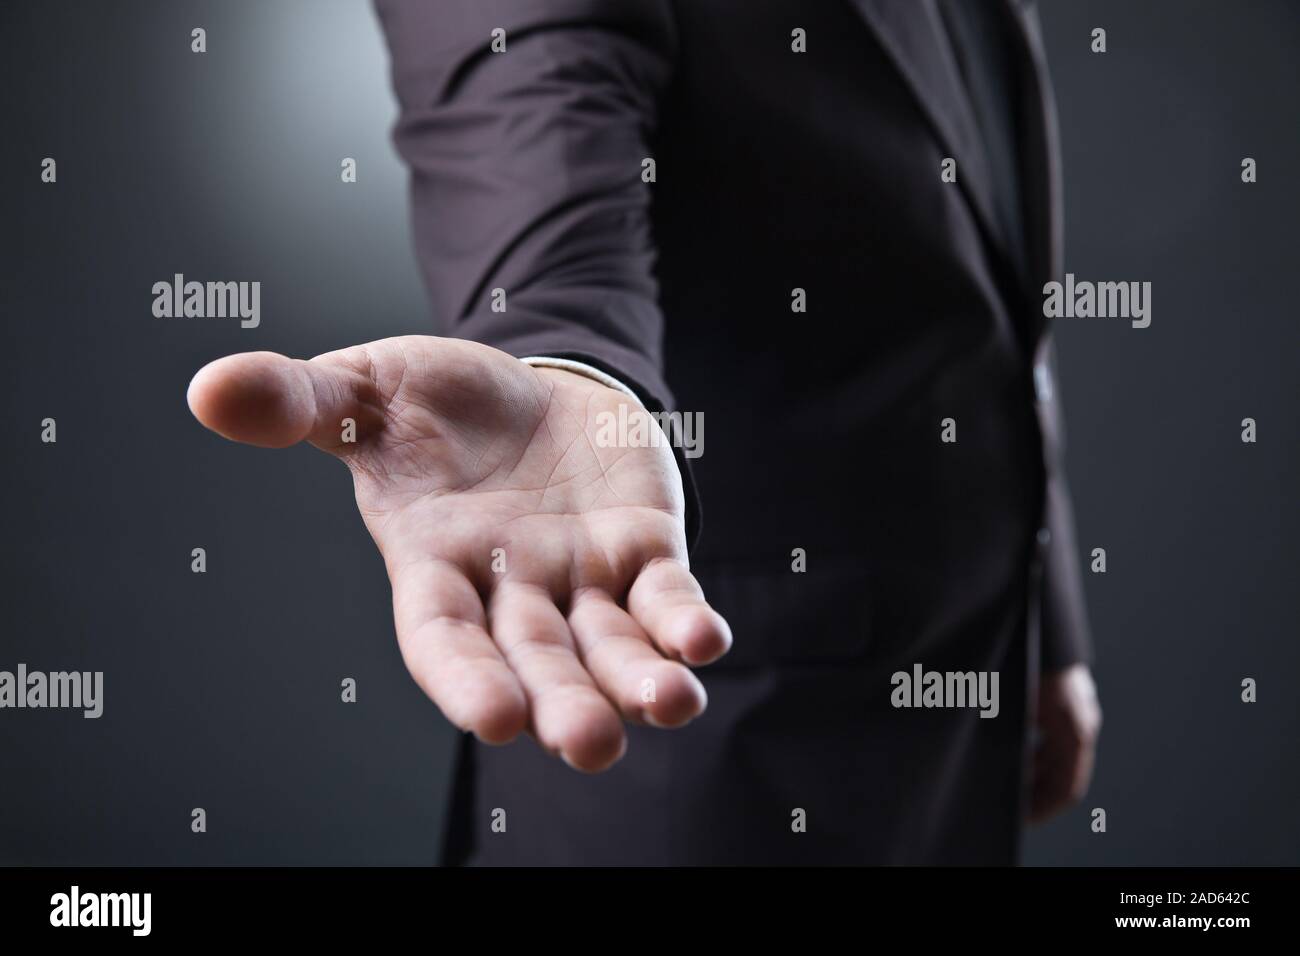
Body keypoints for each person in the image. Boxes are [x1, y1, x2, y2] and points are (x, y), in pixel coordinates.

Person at [186, 0, 1101, 864]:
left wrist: (1044, 620)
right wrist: (565, 362)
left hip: (962, 681)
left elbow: (982, 254)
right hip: (711, 747)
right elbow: (537, 106)